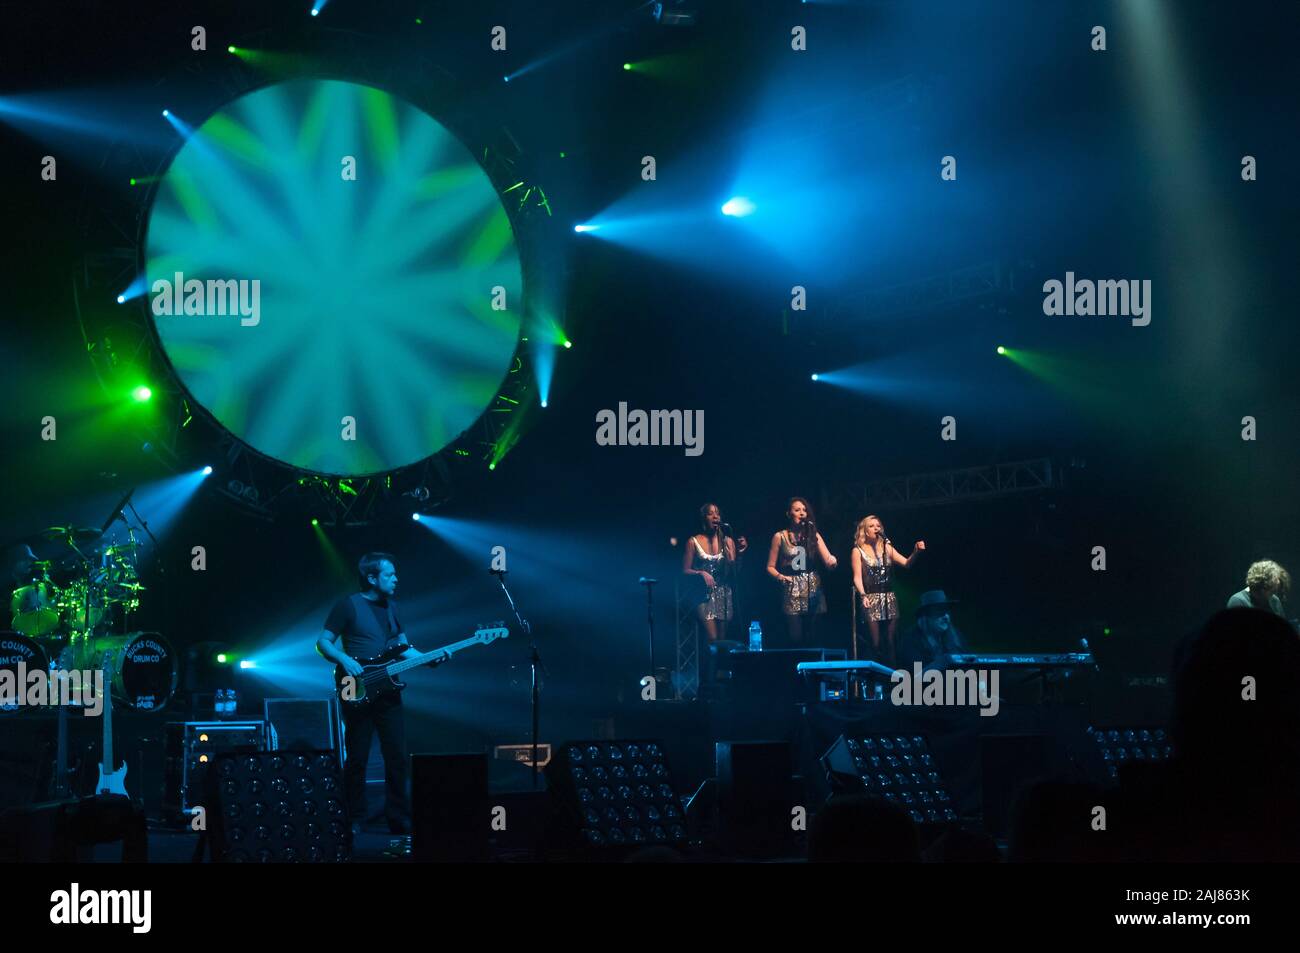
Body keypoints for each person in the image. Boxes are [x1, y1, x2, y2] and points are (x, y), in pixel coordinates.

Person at [315, 552, 445, 835]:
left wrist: (430, 657)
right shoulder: (348, 606)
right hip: (357, 686)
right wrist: (345, 660)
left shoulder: (393, 608)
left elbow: (402, 647)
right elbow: (323, 643)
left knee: (397, 756)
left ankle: (399, 819)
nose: (396, 579)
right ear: (372, 578)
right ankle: (354, 818)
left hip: (388, 688)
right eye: (390, 574)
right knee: (358, 756)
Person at [850, 515, 924, 665]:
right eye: (871, 526)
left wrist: (916, 552)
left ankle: (892, 678)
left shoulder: (887, 547)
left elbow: (906, 563)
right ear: (864, 530)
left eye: (878, 525)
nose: (876, 528)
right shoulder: (857, 551)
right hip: (870, 597)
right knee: (875, 642)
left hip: (889, 596)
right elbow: (857, 577)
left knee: (890, 641)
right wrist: (863, 595)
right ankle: (874, 677)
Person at [766, 497, 837, 643]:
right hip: (791, 588)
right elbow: (770, 567)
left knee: (815, 635)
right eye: (797, 510)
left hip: (813, 588)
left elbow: (828, 559)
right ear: (788, 514)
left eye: (804, 510)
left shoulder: (813, 535)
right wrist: (780, 577)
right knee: (796, 637)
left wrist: (832, 562)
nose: (802, 513)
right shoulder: (779, 537)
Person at [682, 503, 747, 641]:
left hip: (724, 593)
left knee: (722, 640)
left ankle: (719, 663)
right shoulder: (693, 541)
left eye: (717, 513)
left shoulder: (728, 541)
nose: (715, 516)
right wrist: (701, 573)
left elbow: (734, 572)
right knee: (713, 638)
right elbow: (685, 570)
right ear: (704, 518)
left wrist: (739, 555)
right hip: (703, 595)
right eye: (710, 513)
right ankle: (709, 661)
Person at [897, 590, 966, 671]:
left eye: (947, 612)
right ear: (926, 616)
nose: (946, 617)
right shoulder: (911, 640)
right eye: (940, 612)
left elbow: (969, 663)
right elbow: (918, 674)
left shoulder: (956, 635)